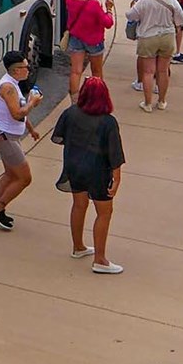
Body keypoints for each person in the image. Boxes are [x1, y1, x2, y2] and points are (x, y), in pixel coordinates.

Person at [52, 76, 126, 274]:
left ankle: (78, 247)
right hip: (98, 171)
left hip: (74, 167)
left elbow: (59, 137)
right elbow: (115, 153)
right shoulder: (108, 122)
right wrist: (117, 178)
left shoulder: (70, 113)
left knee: (79, 205)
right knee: (104, 213)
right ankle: (100, 260)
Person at [0, 51, 45, 230]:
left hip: (8, 135)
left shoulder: (14, 84)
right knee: (25, 178)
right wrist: (32, 102)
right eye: (26, 67)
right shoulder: (8, 88)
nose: (29, 69)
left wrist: (31, 129)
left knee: (10, 174)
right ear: (16, 70)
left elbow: (20, 112)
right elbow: (17, 113)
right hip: (5, 137)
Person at [124, 0, 183, 112]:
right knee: (163, 71)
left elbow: (130, 15)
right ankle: (162, 101)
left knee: (148, 72)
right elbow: (181, 20)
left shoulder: (144, 2)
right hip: (167, 36)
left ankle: (148, 102)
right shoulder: (172, 1)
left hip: (148, 36)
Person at [64, 0, 113, 99]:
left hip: (76, 38)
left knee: (75, 71)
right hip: (94, 41)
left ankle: (74, 100)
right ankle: (97, 98)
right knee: (96, 72)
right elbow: (108, 23)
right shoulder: (93, 4)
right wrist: (109, 9)